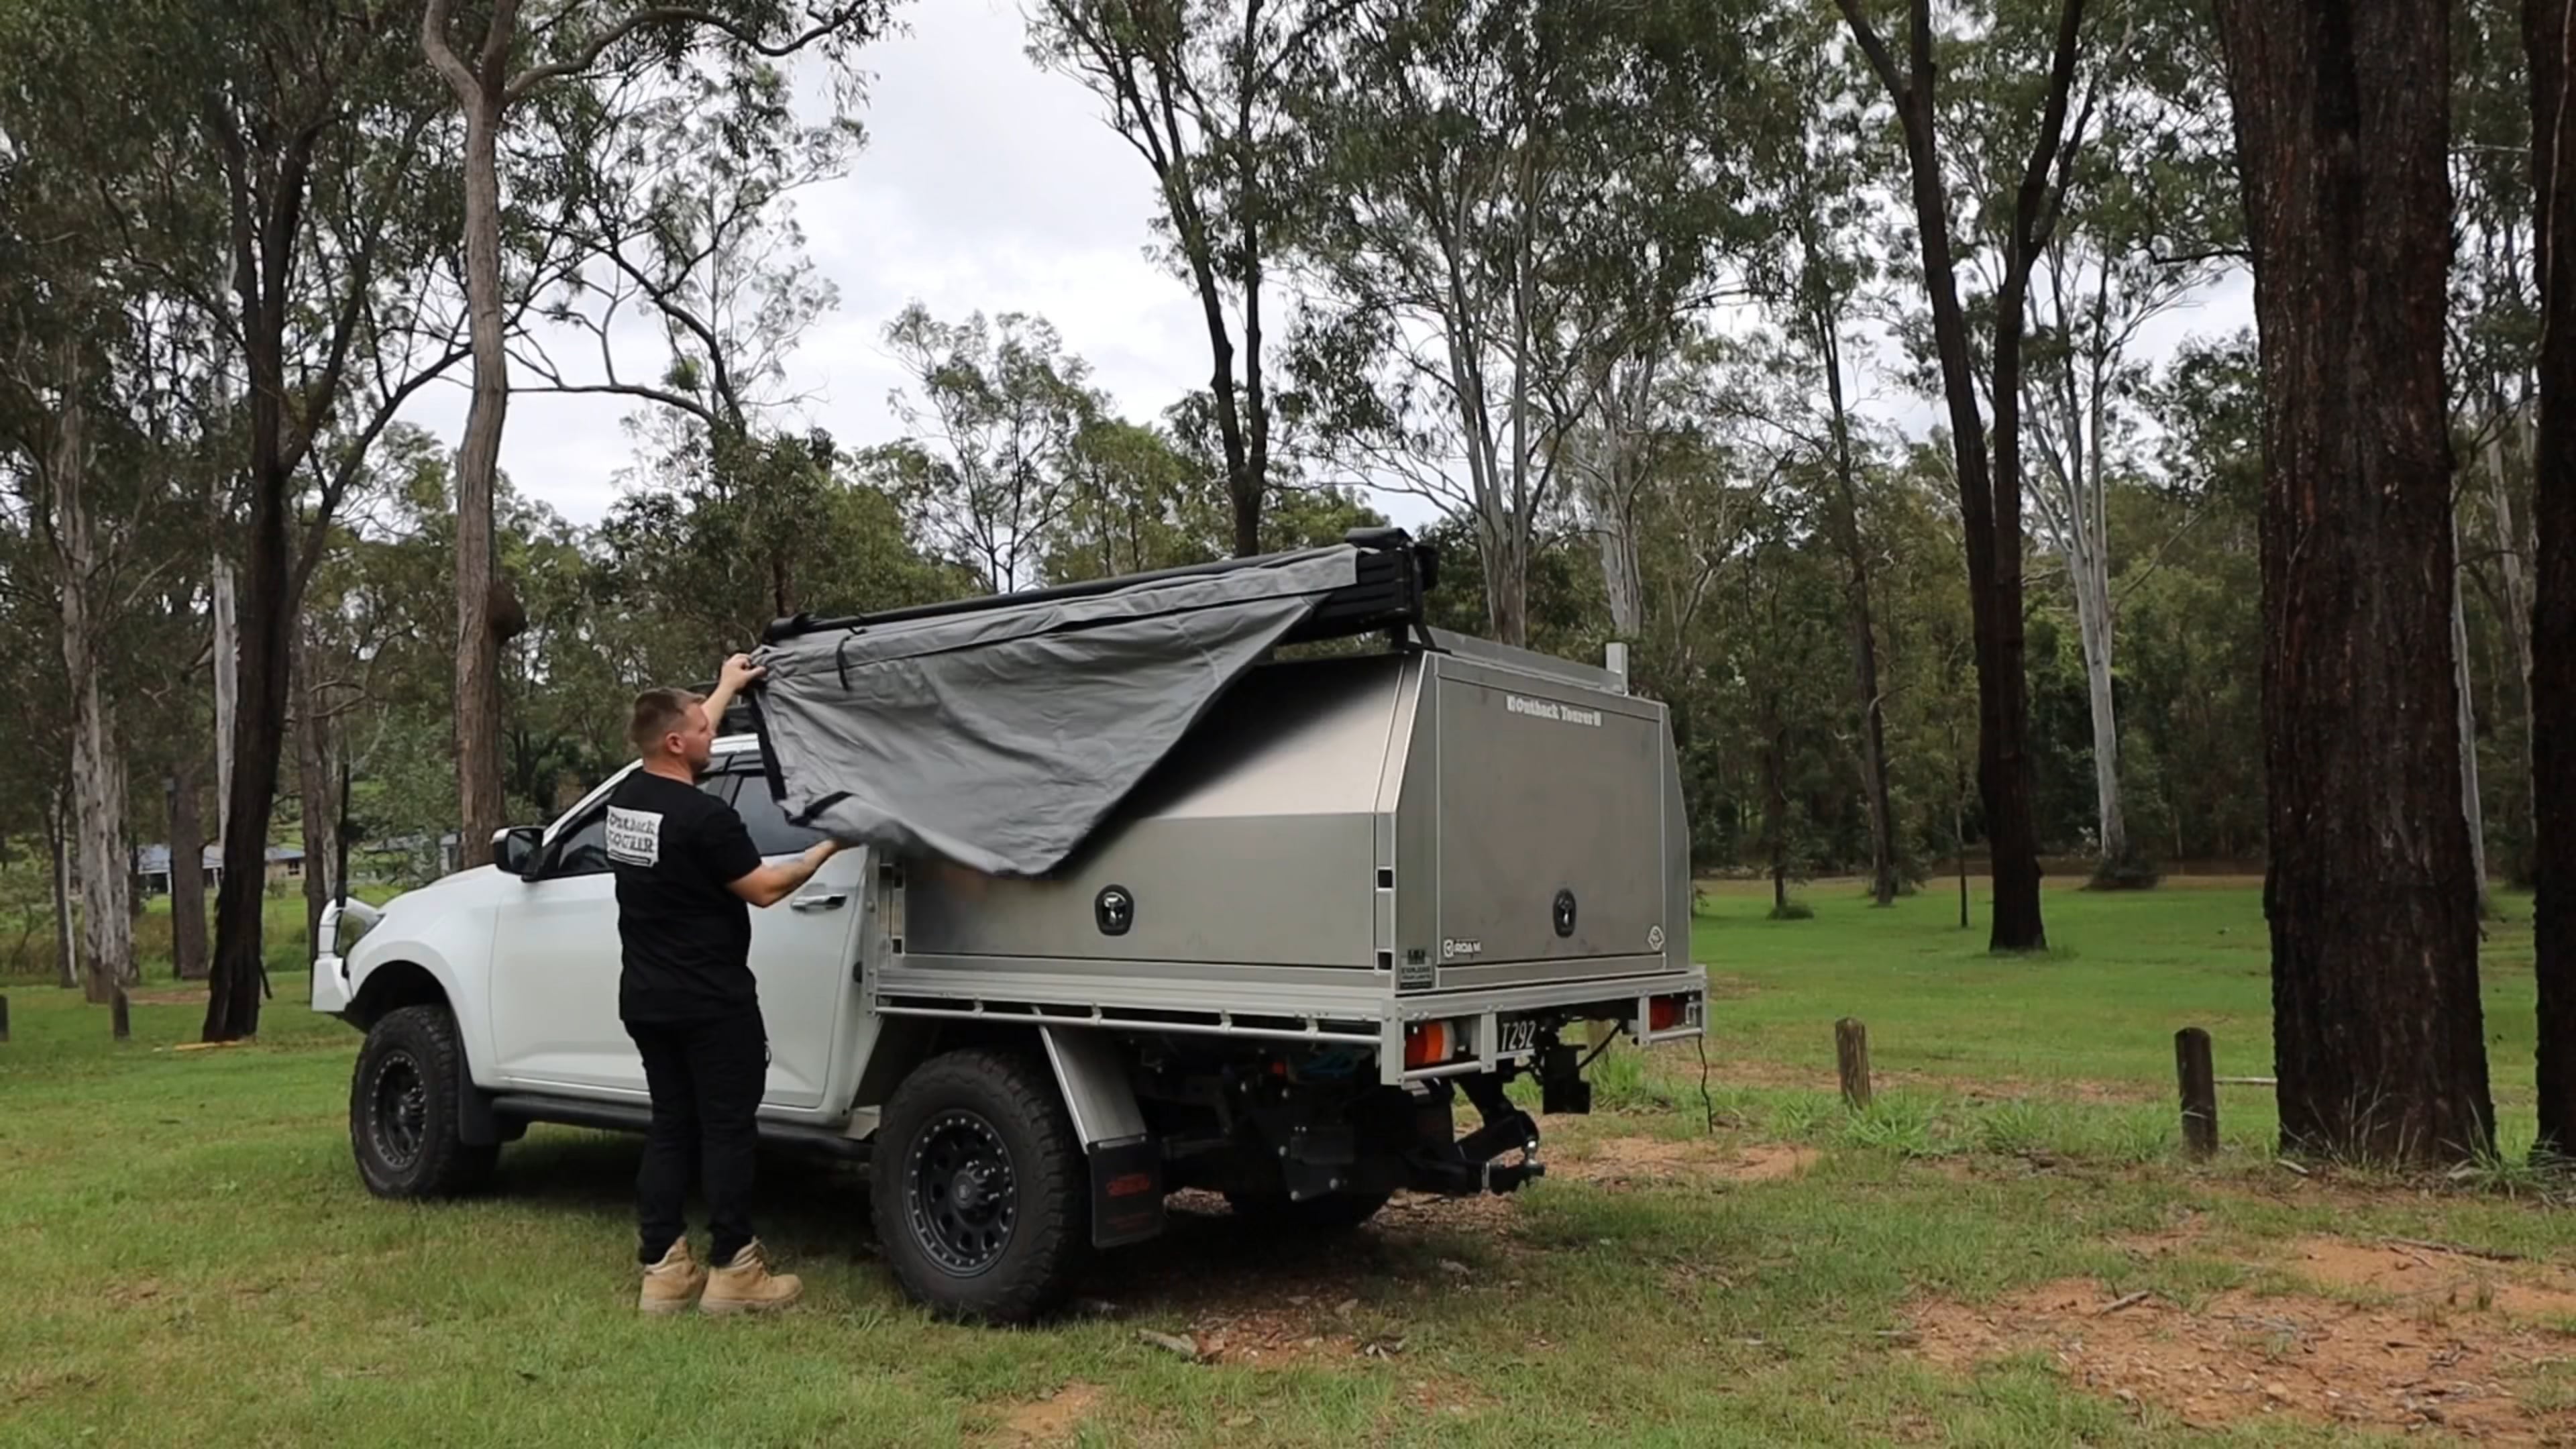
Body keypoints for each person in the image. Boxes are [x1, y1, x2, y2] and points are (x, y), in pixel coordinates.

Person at [610, 653, 843, 1316]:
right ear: (678, 744)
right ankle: (736, 1271)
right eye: (706, 733)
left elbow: (687, 734)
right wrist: (826, 847)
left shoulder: (629, 799)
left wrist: (725, 686)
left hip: (648, 998)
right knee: (727, 1132)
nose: (713, 735)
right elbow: (766, 889)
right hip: (713, 1003)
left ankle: (663, 1270)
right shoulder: (706, 820)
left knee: (671, 1128)